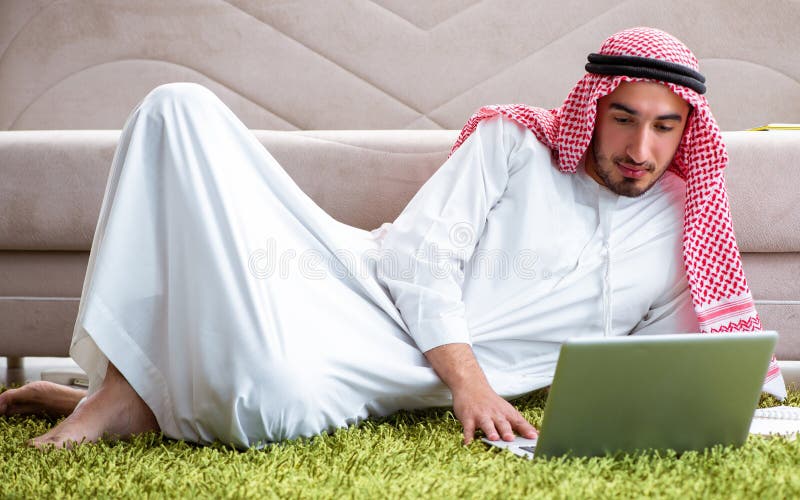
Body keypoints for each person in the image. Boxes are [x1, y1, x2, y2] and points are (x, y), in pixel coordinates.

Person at [0, 27, 785, 449]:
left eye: (664, 127)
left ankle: (131, 399)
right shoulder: (514, 143)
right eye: (623, 118)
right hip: (349, 286)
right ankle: (111, 395)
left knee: (259, 412)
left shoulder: (685, 219)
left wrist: (742, 384)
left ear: (689, 130)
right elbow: (416, 257)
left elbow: (694, 352)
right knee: (177, 109)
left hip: (388, 379)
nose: (640, 149)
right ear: (595, 107)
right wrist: (470, 385)